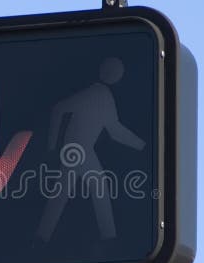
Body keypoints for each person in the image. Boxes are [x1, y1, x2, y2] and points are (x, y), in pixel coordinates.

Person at [36, 57, 145, 242]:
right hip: (76, 150)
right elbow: (58, 109)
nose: (117, 75)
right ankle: (108, 237)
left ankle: (42, 238)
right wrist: (52, 146)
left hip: (82, 150)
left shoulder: (105, 96)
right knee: (82, 189)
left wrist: (141, 146)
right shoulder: (94, 93)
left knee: (78, 191)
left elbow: (114, 130)